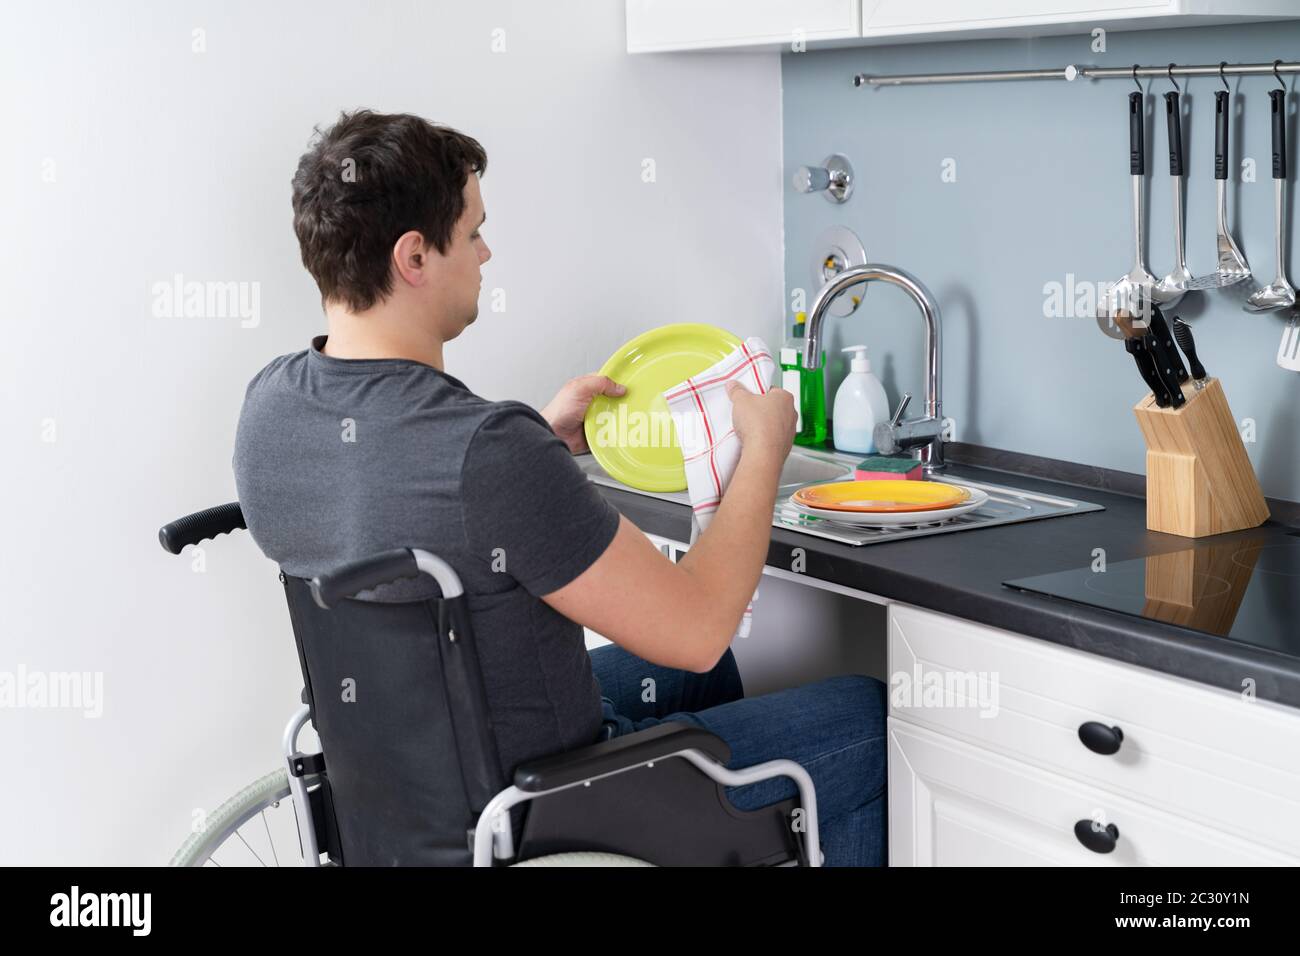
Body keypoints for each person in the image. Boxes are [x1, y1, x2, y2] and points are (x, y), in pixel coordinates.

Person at [233, 109, 885, 866]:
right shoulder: (488, 453)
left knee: (710, 677)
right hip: (553, 812)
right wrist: (766, 447)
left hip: (405, 792)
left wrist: (540, 441)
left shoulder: (271, 406)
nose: (486, 252)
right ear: (414, 256)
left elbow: (390, 493)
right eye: (472, 232)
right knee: (868, 717)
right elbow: (701, 629)